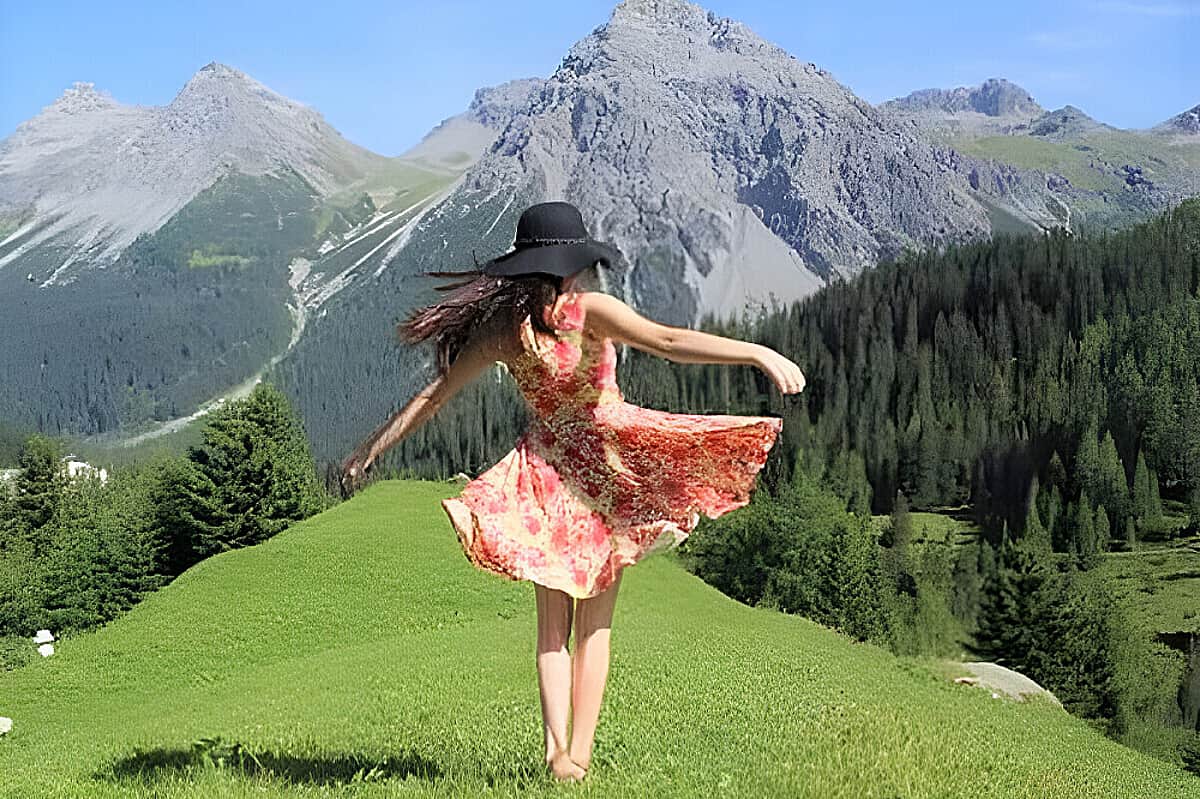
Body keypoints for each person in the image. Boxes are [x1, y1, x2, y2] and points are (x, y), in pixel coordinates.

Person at [339, 201, 804, 783]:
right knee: (596, 625)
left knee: (551, 628)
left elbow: (434, 397)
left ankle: (556, 750)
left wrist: (371, 449)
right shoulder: (589, 309)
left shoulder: (502, 332)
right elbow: (667, 339)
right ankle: (576, 757)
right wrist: (756, 352)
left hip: (546, 475)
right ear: (569, 263)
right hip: (606, 471)